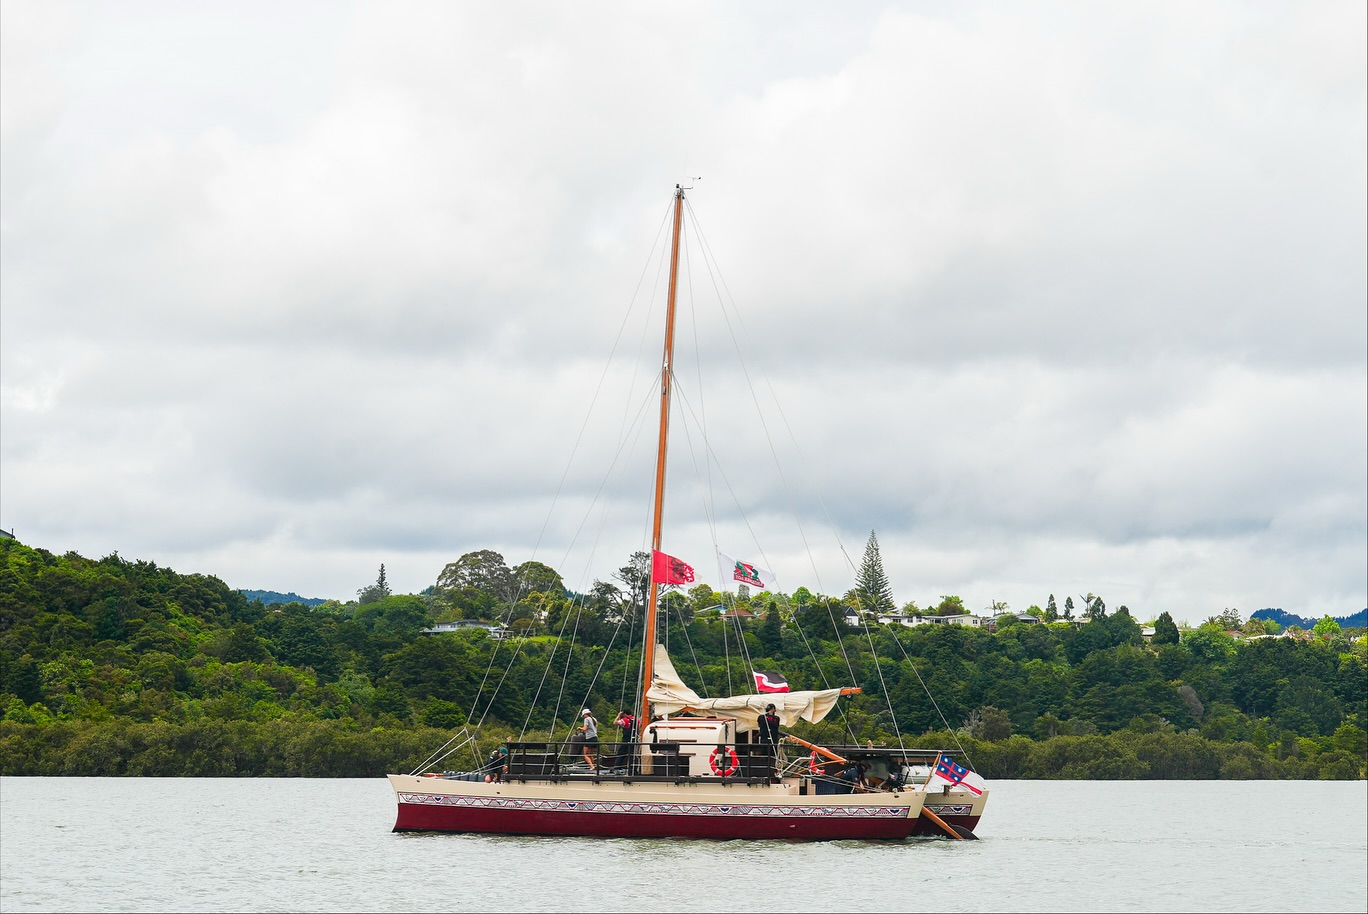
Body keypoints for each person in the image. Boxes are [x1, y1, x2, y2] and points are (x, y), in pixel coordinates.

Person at [757, 702, 782, 773]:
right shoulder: (765, 717)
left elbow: (774, 725)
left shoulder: (764, 718)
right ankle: (770, 770)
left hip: (768, 739)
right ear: (773, 709)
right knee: (769, 755)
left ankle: (768, 770)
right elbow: (775, 726)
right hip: (769, 739)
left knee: (768, 755)